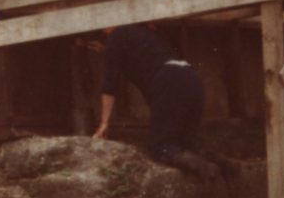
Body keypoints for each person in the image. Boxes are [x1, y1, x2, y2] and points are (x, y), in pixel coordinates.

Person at [92, 23, 220, 180]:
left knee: (160, 148)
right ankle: (228, 167)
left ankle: (205, 169)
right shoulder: (147, 31)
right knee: (185, 147)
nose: (103, 31)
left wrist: (104, 122)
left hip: (168, 81)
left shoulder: (115, 36)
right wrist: (107, 51)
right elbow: (141, 54)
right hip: (192, 78)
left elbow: (109, 85)